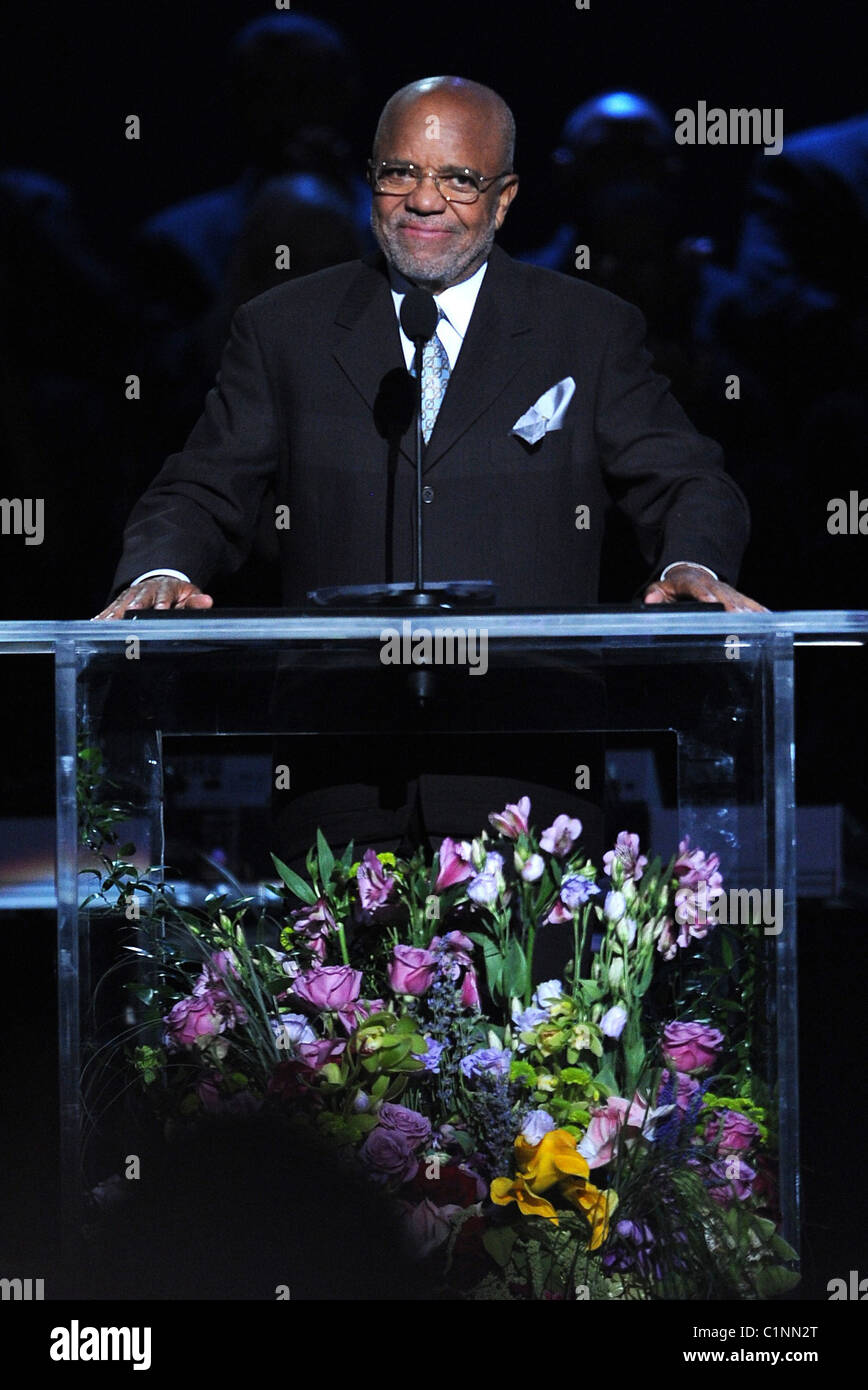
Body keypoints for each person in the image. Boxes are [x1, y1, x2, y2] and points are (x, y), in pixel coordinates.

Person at [97, 75, 762, 619]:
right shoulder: (282, 328)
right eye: (400, 173)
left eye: (459, 180)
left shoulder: (586, 328)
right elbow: (202, 489)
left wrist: (689, 565)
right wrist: (163, 571)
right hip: (340, 738)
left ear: (503, 201)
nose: (423, 201)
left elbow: (690, 482)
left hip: (528, 732)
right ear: (370, 181)